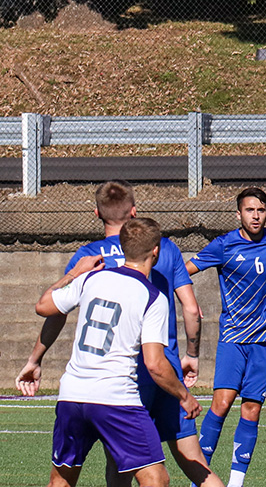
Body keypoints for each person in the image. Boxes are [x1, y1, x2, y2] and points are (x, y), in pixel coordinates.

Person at [15, 181, 222, 487]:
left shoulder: (91, 274)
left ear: (97, 213)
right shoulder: (153, 294)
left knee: (64, 480)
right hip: (126, 389)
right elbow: (182, 322)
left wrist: (35, 358)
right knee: (164, 474)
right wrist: (186, 380)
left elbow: (46, 307)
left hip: (74, 392)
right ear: (154, 249)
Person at [187, 187, 266, 487]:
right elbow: (183, 270)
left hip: (265, 339)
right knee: (221, 405)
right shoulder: (224, 245)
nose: (256, 215)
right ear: (238, 214)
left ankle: (236, 483)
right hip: (233, 338)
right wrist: (187, 300)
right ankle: (198, 479)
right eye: (250, 210)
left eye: (261, 210)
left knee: (252, 408)